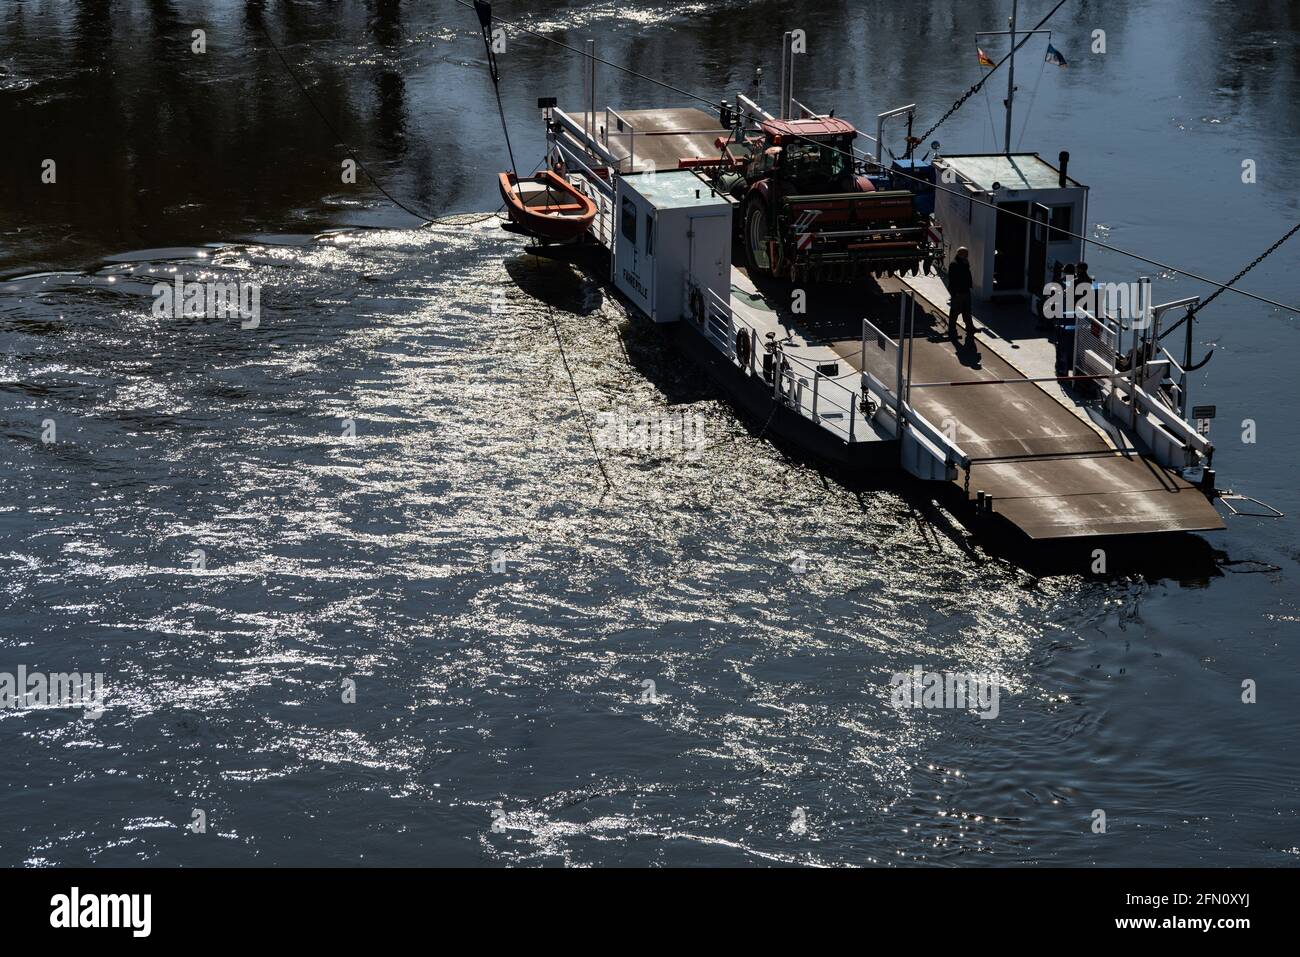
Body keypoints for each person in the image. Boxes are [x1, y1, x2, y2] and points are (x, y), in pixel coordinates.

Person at [947, 247, 974, 340]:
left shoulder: (964, 262)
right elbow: (953, 279)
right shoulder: (954, 264)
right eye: (966, 254)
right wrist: (956, 292)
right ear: (961, 254)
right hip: (958, 291)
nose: (967, 256)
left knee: (967, 310)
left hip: (965, 290)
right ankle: (952, 331)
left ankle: (970, 327)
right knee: (955, 312)